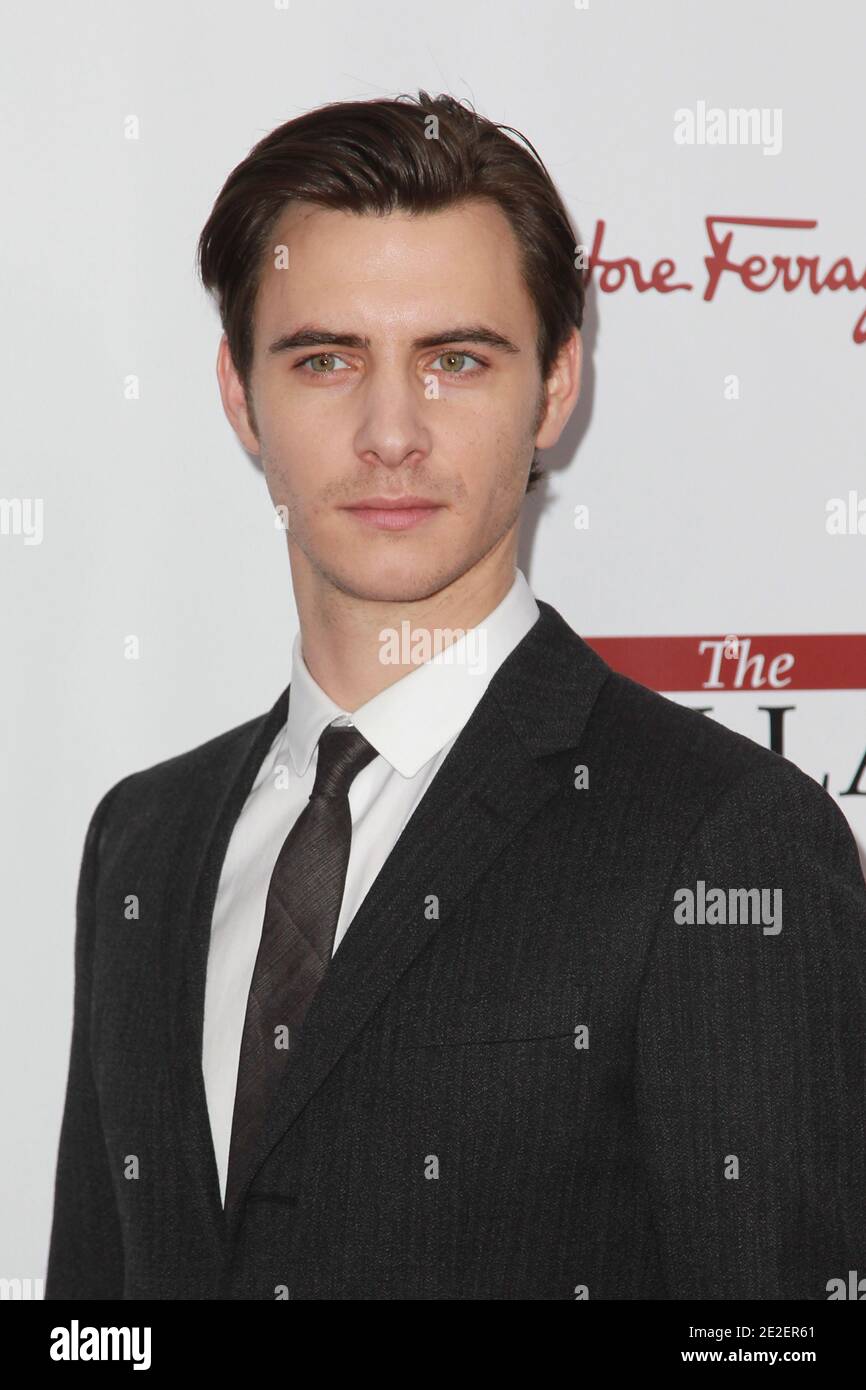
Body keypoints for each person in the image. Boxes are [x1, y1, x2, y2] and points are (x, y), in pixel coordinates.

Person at [46, 92, 866, 1301]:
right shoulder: (143, 841)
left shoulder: (719, 837)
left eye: (455, 360)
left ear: (553, 389)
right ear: (238, 394)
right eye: (324, 359)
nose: (390, 432)